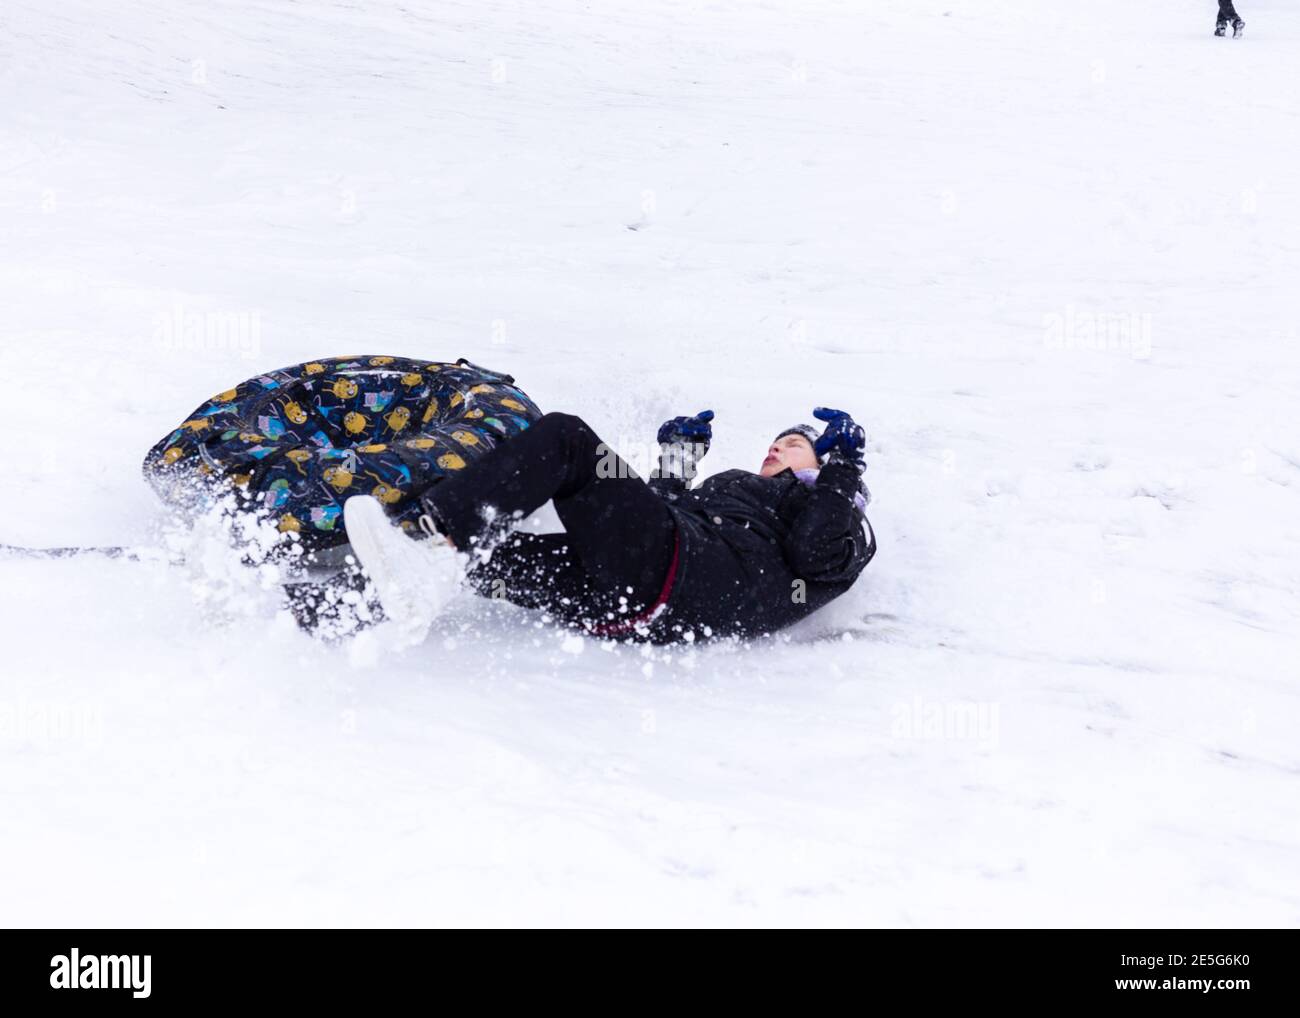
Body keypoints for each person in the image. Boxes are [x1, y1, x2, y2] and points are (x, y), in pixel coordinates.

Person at [341, 406, 877, 645]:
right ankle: (339, 603)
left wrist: (845, 474)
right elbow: (662, 514)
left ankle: (438, 540)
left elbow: (814, 553)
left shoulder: (844, 518)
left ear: (822, 464)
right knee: (489, 551)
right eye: (775, 440)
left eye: (793, 444)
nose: (775, 447)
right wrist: (678, 461)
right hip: (623, 598)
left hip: (681, 584)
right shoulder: (742, 488)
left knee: (569, 442)